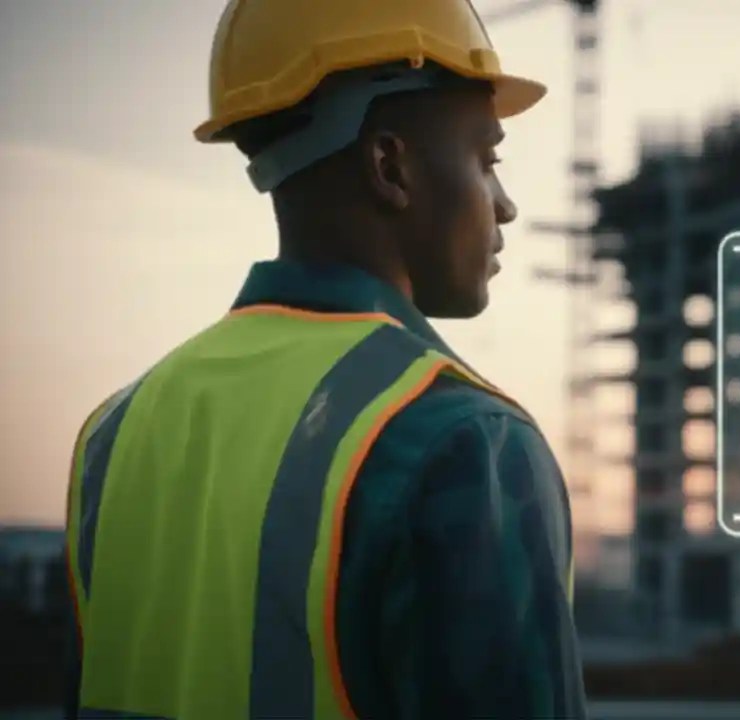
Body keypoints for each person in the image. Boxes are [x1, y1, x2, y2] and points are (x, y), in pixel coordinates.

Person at [62, 1, 587, 717]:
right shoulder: (461, 439)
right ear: (390, 166)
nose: (505, 205)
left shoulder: (114, 434)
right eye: (486, 159)